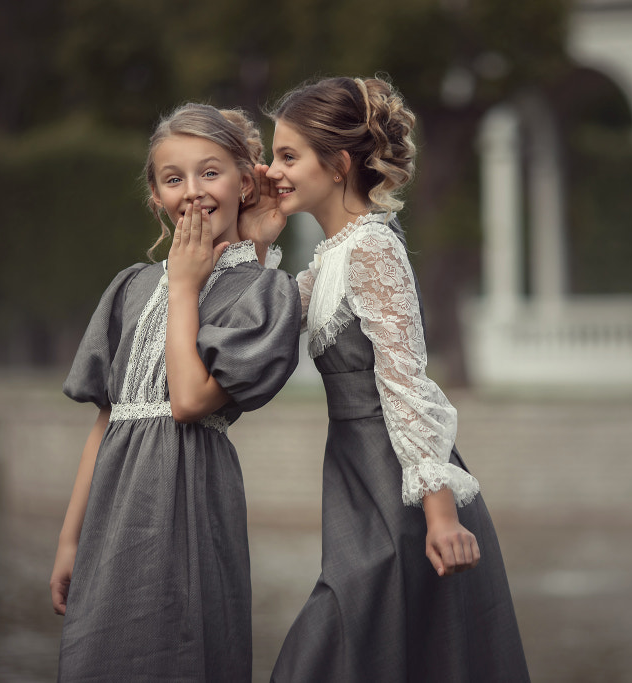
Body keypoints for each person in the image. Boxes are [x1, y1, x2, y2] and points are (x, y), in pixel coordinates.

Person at [240, 75, 530, 682]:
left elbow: (406, 383)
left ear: (339, 162)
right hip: (357, 480)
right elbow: (261, 333)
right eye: (273, 155)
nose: (272, 170)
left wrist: (441, 515)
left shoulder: (372, 249)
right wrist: (259, 243)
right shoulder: (331, 256)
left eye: (289, 155)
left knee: (325, 654)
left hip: (399, 490)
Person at [49, 103, 301, 682]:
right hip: (112, 516)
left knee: (183, 654)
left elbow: (189, 403)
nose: (192, 191)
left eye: (210, 172)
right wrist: (69, 541)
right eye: (173, 178)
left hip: (188, 506)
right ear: (155, 197)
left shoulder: (266, 293)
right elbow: (106, 424)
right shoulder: (130, 288)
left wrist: (187, 285)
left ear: (245, 179)